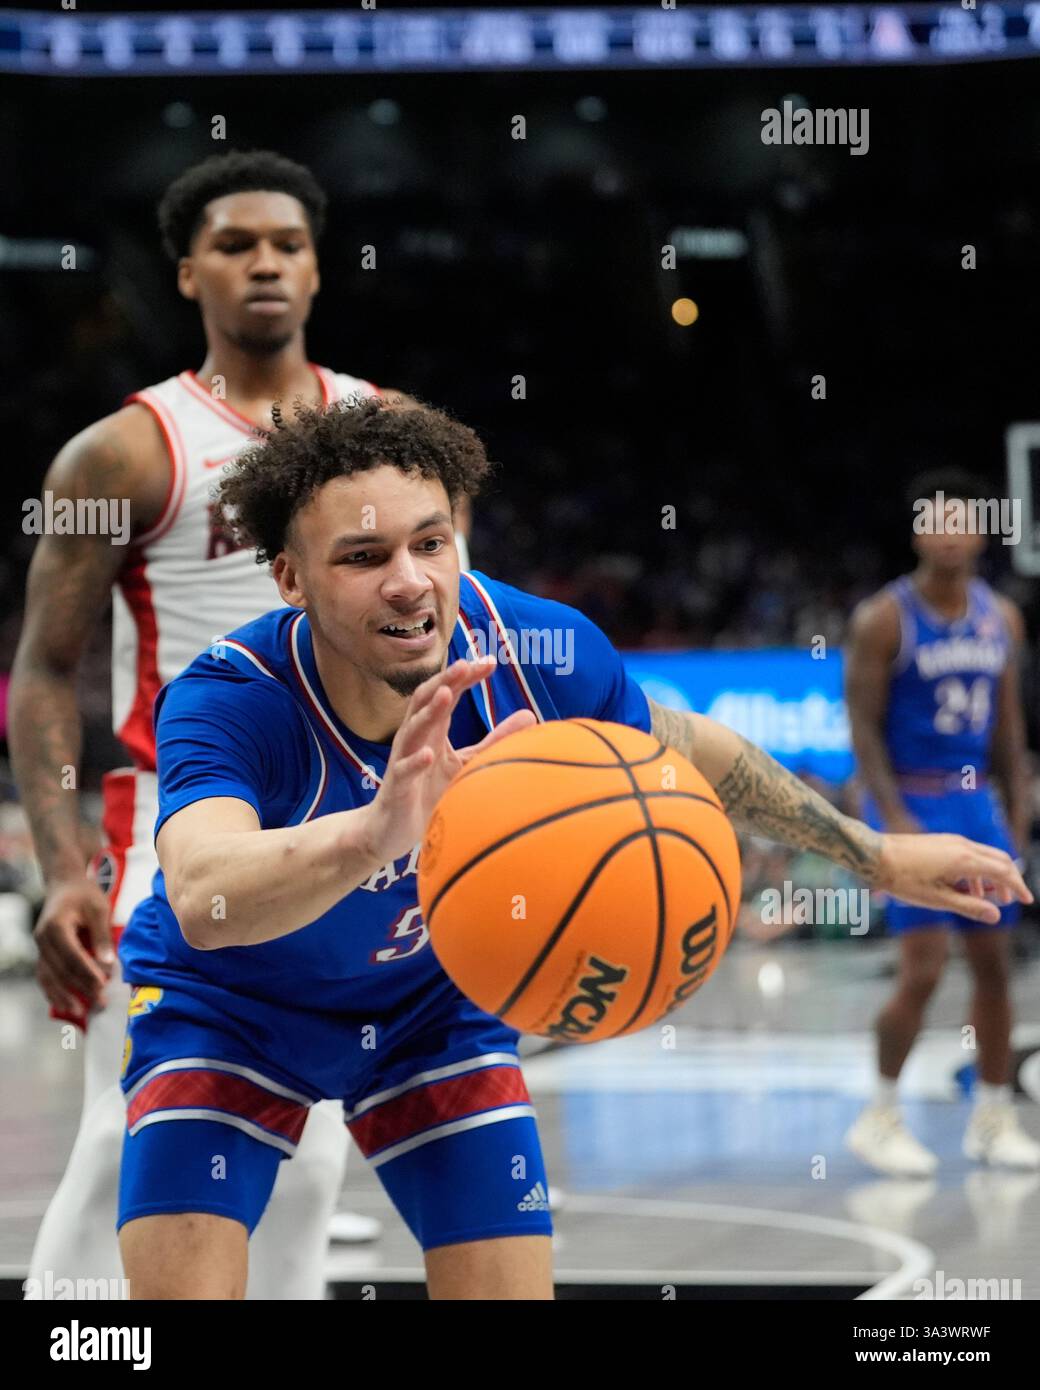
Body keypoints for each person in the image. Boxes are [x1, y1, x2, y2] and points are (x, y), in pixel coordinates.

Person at [115, 399, 1030, 1298]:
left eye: (430, 543)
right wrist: (375, 831)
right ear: (289, 579)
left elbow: (687, 745)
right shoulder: (230, 696)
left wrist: (874, 854)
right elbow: (203, 894)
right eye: (363, 556)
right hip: (228, 1011)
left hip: (426, 1015)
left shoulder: (532, 648)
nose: (409, 580)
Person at [9, 148, 426, 1299]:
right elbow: (43, 672)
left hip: (352, 835)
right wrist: (63, 867)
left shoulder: (390, 432)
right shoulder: (127, 450)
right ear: (187, 271)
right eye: (235, 245)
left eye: (287, 244)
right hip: (180, 831)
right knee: (138, 1134)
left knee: (303, 1163)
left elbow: (442, 642)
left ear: (318, 268)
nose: (265, 265)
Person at [843, 469, 1040, 1175]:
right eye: (938, 520)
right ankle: (880, 1114)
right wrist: (892, 821)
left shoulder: (1003, 618)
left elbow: (1009, 732)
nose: (951, 532)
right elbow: (863, 730)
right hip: (912, 802)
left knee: (993, 967)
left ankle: (992, 1117)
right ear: (919, 531)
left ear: (980, 531)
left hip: (975, 803)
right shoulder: (884, 618)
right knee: (922, 971)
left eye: (963, 520)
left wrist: (1015, 819)